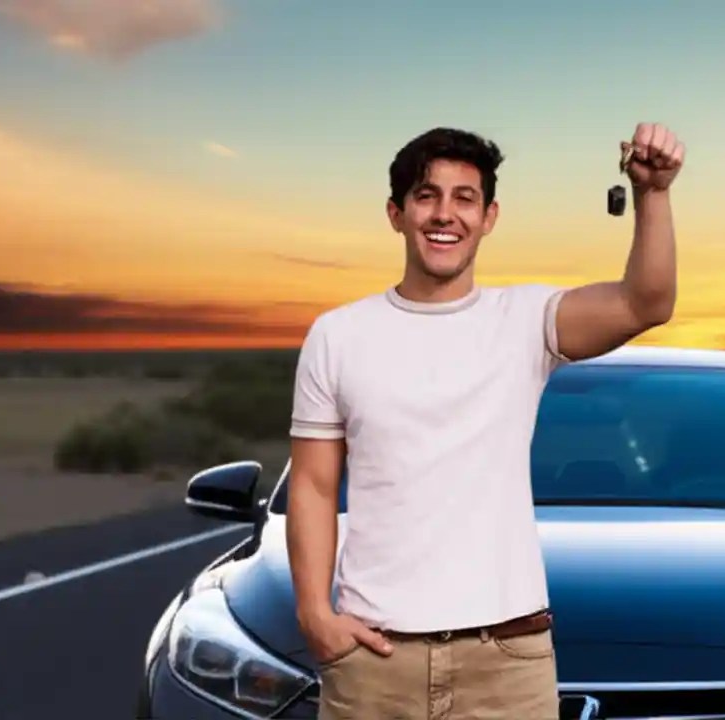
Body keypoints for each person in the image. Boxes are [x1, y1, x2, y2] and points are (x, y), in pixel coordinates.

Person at [285, 122, 684, 719]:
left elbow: (644, 302)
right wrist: (314, 613)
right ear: (396, 214)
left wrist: (652, 195)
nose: (445, 214)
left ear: (489, 216)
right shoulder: (337, 335)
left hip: (507, 661)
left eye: (464, 198)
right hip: (375, 661)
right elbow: (313, 485)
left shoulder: (526, 321)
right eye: (426, 195)